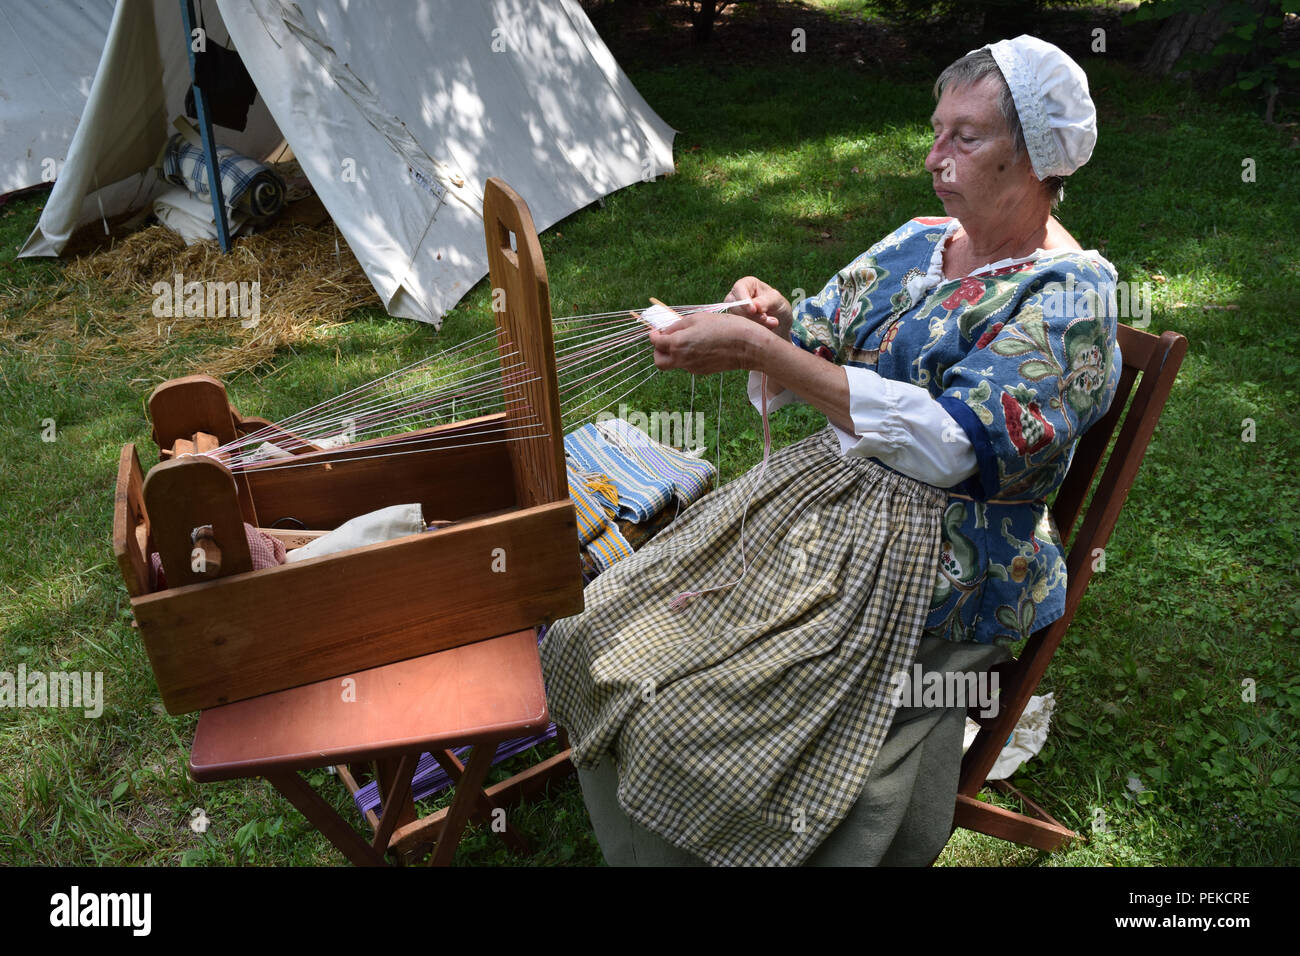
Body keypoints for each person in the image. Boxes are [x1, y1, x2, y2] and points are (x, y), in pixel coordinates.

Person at [540, 35, 1121, 866]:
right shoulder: (921, 241)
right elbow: (817, 328)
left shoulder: (1070, 299)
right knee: (595, 629)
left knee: (689, 719)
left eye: (966, 137)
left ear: (1035, 157)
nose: (934, 157)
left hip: (943, 556)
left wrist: (765, 355)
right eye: (936, 130)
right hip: (828, 500)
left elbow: (954, 444)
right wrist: (770, 321)